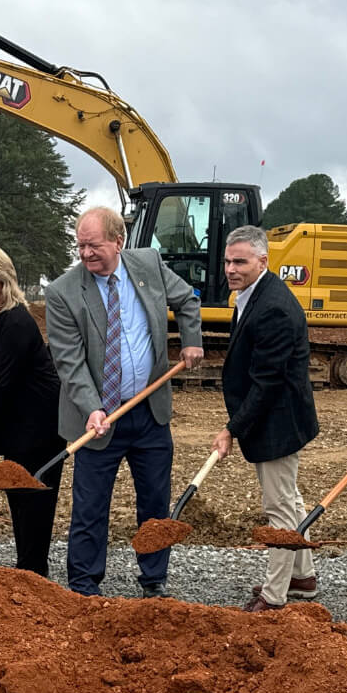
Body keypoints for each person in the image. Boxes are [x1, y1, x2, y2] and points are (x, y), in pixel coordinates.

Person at [45, 206, 203, 597]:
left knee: (154, 502)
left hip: (150, 413)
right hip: (99, 419)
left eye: (93, 245)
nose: (85, 254)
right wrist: (92, 407)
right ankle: (84, 586)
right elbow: (69, 361)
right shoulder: (63, 292)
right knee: (90, 508)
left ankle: (154, 581)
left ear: (119, 241)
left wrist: (192, 340)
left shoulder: (147, 264)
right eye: (80, 246)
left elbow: (187, 300)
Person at [213, 225, 320, 610]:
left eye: (240, 261)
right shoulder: (251, 296)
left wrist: (231, 428)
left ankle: (275, 597)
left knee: (278, 507)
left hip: (278, 422)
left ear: (263, 261)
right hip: (279, 417)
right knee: (289, 498)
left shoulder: (273, 307)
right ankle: (303, 578)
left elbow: (267, 382)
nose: (230, 268)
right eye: (227, 260)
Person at [0, 244, 66, 578]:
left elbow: (7, 381)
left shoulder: (16, 320)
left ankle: (34, 572)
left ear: (4, 281)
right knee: (17, 496)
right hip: (14, 429)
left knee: (33, 500)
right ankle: (26, 568)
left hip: (38, 431)